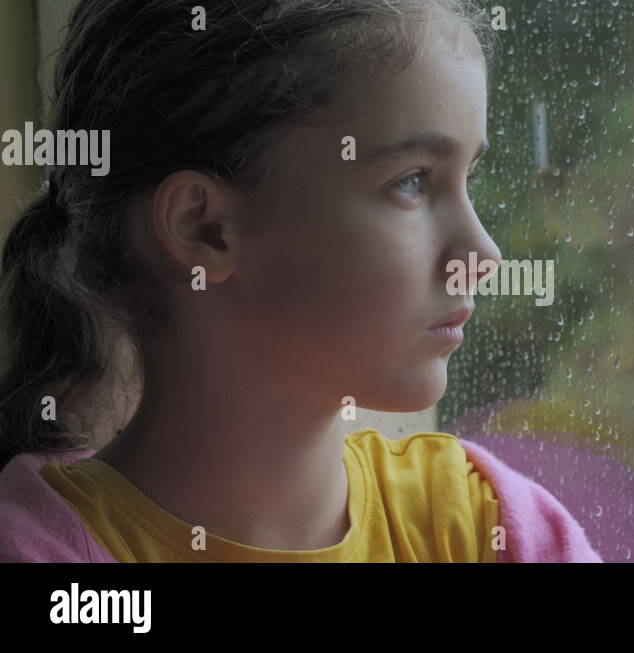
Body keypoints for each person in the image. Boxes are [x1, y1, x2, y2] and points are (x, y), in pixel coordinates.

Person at [0, 0, 600, 563]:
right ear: (205, 228)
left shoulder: (488, 526)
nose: (483, 252)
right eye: (413, 181)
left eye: (467, 175)